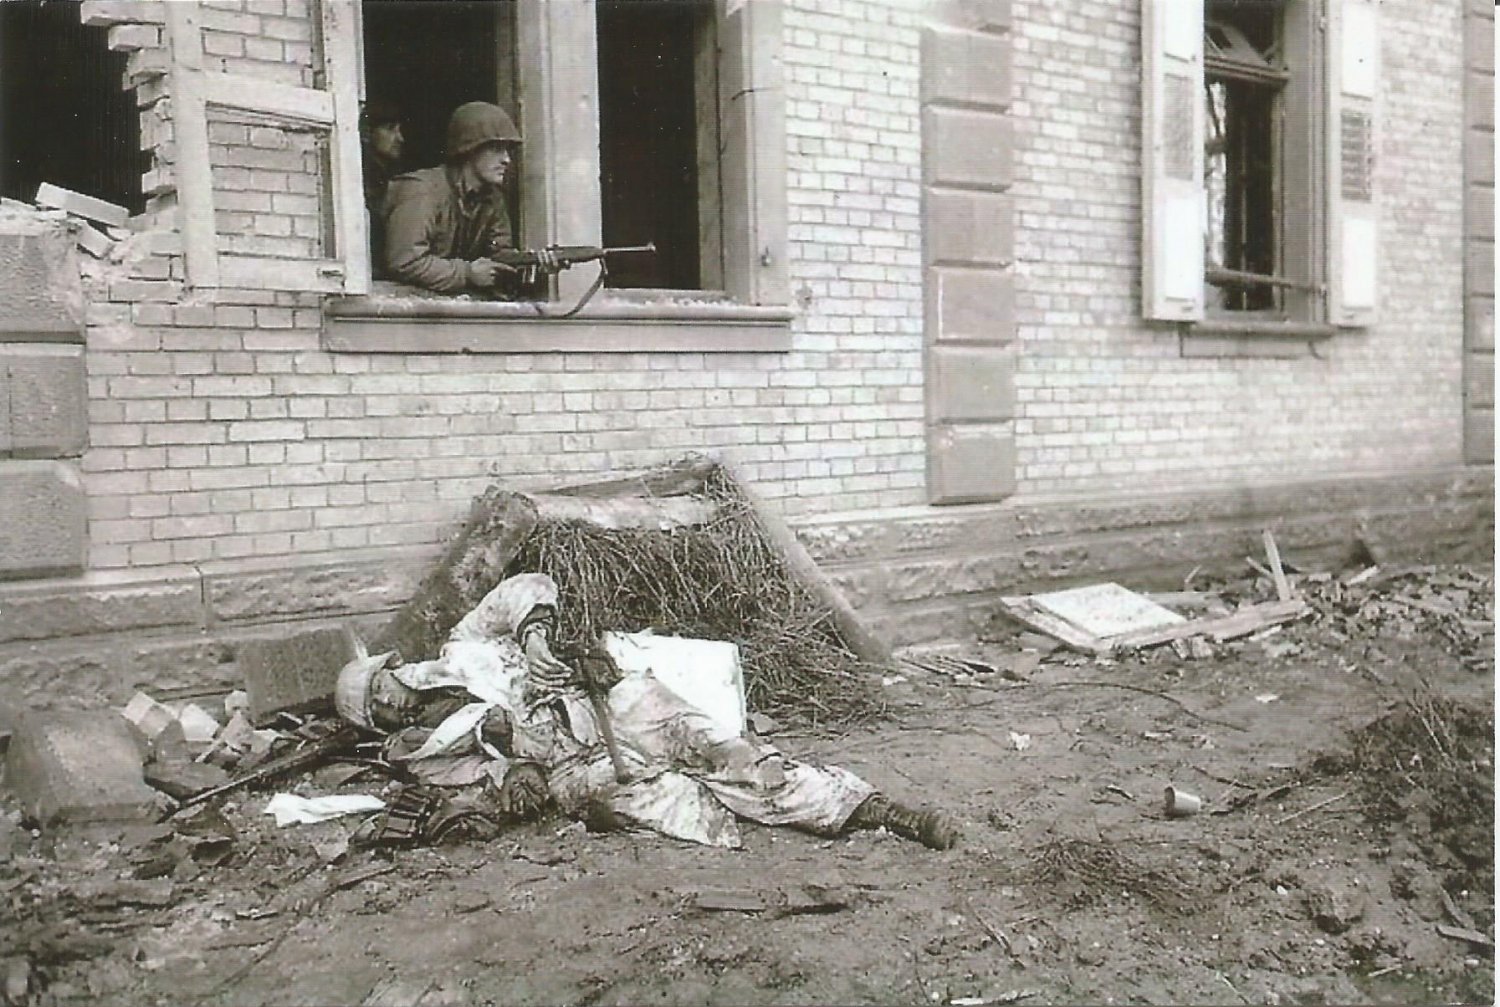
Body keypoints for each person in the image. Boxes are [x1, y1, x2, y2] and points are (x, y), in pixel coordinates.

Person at [335, 573, 961, 851]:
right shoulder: (422, 757)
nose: (387, 702)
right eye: (376, 711)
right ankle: (776, 818)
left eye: (378, 687)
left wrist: (534, 634)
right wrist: (510, 778)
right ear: (380, 725)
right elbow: (482, 784)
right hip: (570, 769)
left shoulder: (460, 646)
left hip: (610, 703)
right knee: (681, 808)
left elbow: (527, 586)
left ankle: (879, 811)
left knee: (730, 755)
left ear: (391, 669)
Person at [380, 100, 527, 295]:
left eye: (507, 150)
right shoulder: (421, 190)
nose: (506, 159)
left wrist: (529, 262)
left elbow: (499, 254)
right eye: (496, 149)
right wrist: (467, 273)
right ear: (469, 149)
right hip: (403, 308)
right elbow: (405, 262)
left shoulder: (492, 199)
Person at [360, 98, 405, 273]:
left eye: (400, 130)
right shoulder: (360, 175)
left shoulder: (388, 174)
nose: (400, 138)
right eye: (390, 129)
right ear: (368, 133)